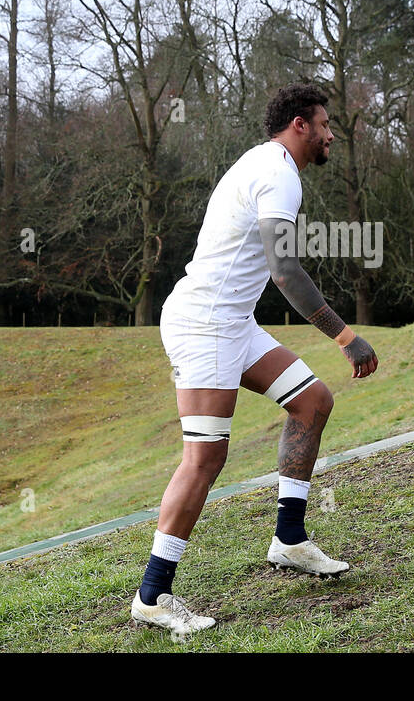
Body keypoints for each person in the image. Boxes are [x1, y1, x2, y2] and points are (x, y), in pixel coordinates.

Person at [130, 83, 380, 636]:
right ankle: (152, 595)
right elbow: (285, 271)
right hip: (205, 325)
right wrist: (345, 338)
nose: (331, 133)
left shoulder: (266, 164)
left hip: (232, 325)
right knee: (204, 459)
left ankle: (289, 540)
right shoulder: (278, 175)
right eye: (325, 123)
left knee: (312, 402)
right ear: (299, 125)